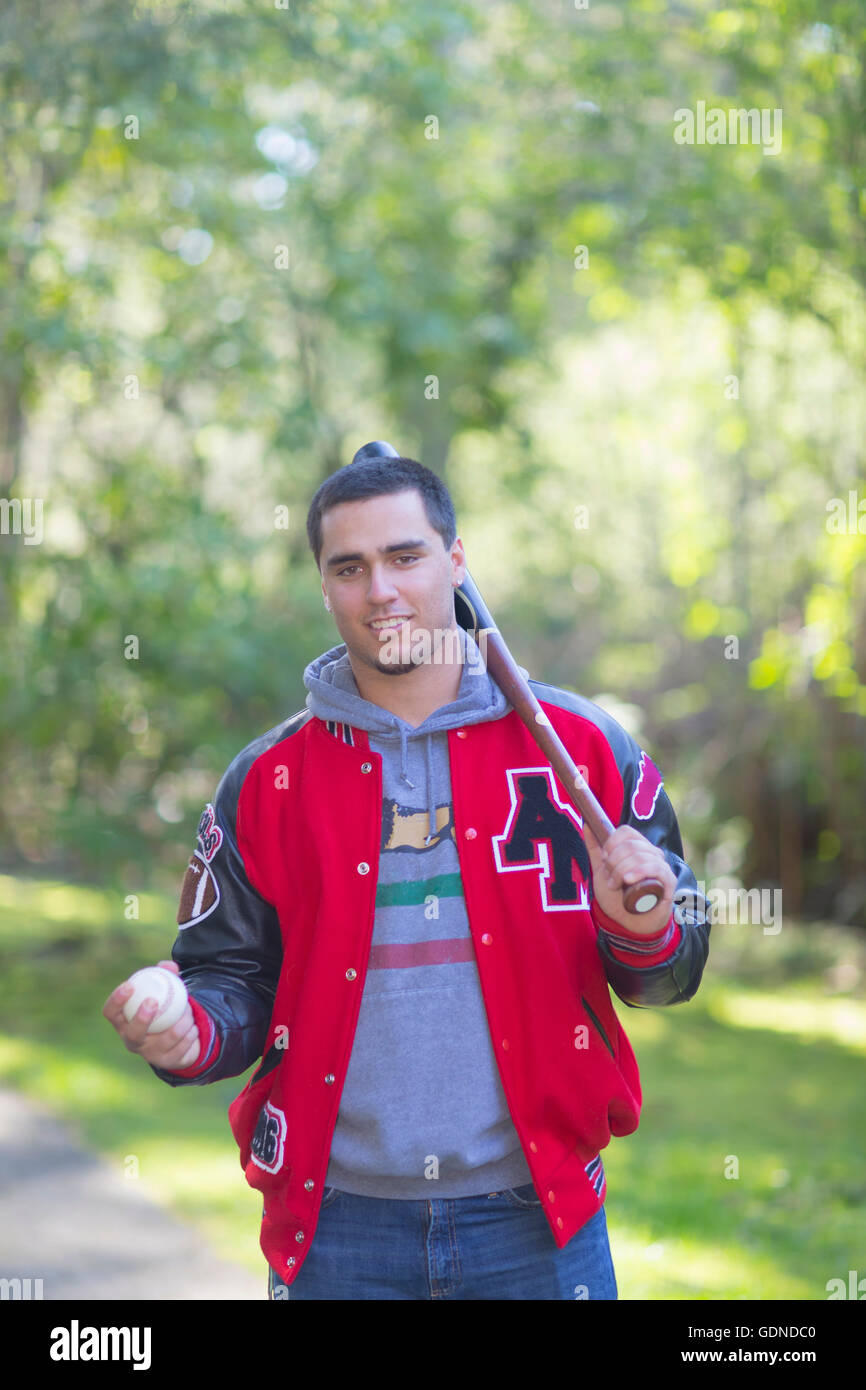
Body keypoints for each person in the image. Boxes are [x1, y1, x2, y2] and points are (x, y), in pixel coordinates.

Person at [103, 453, 711, 1301]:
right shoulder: (268, 779)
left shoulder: (582, 749)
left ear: (456, 561)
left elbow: (669, 971)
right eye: (348, 568)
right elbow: (228, 980)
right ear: (324, 586)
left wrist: (643, 928)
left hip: (538, 1220)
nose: (379, 589)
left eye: (405, 556)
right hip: (338, 1229)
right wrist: (191, 1032)